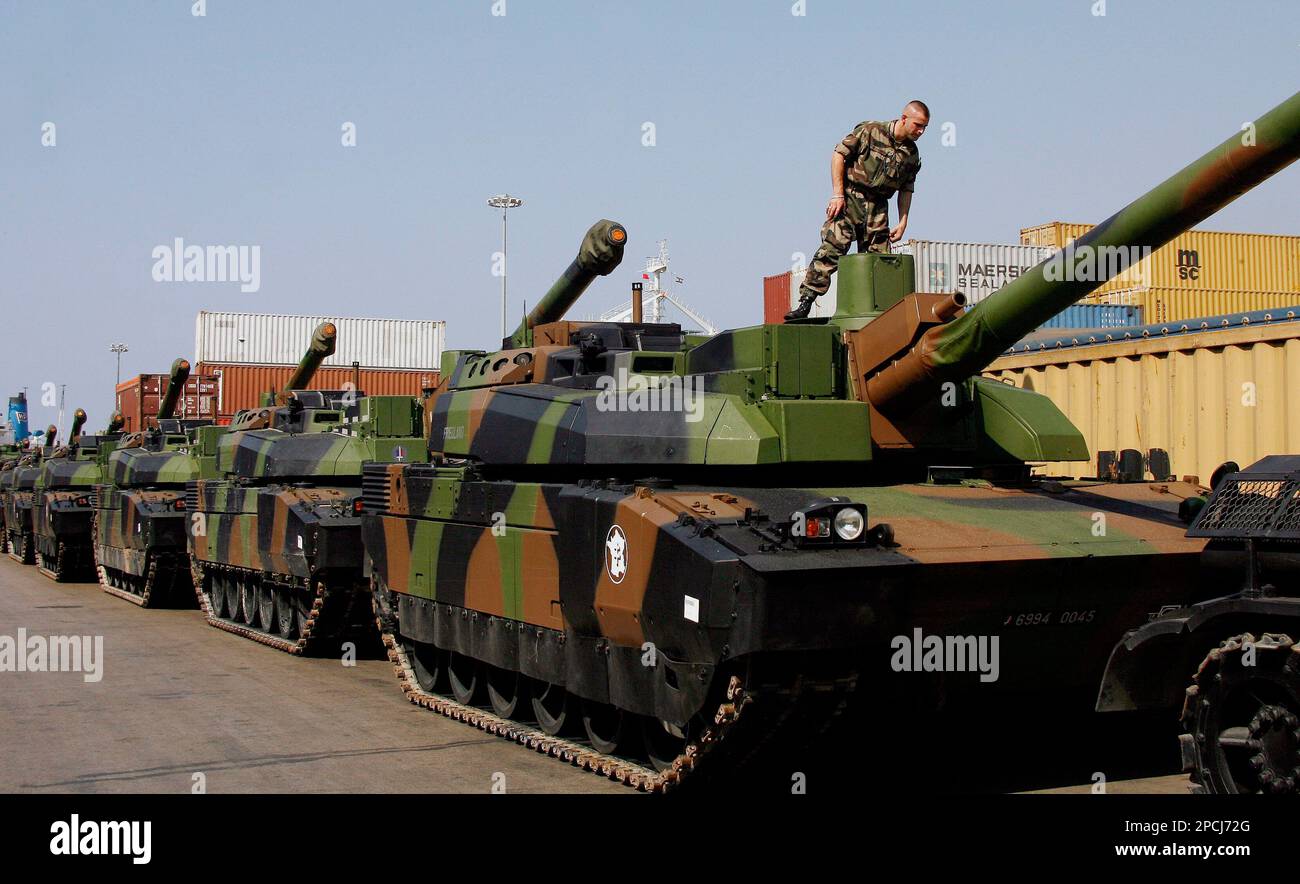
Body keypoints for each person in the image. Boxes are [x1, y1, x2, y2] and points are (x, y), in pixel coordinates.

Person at [786, 100, 928, 321]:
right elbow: (838, 155)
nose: (920, 131)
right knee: (831, 250)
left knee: (880, 262)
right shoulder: (870, 130)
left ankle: (881, 315)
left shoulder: (911, 154)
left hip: (879, 207)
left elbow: (906, 189)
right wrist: (837, 194)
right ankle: (805, 302)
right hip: (851, 198)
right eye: (917, 125)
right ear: (903, 118)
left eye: (924, 128)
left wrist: (903, 221)